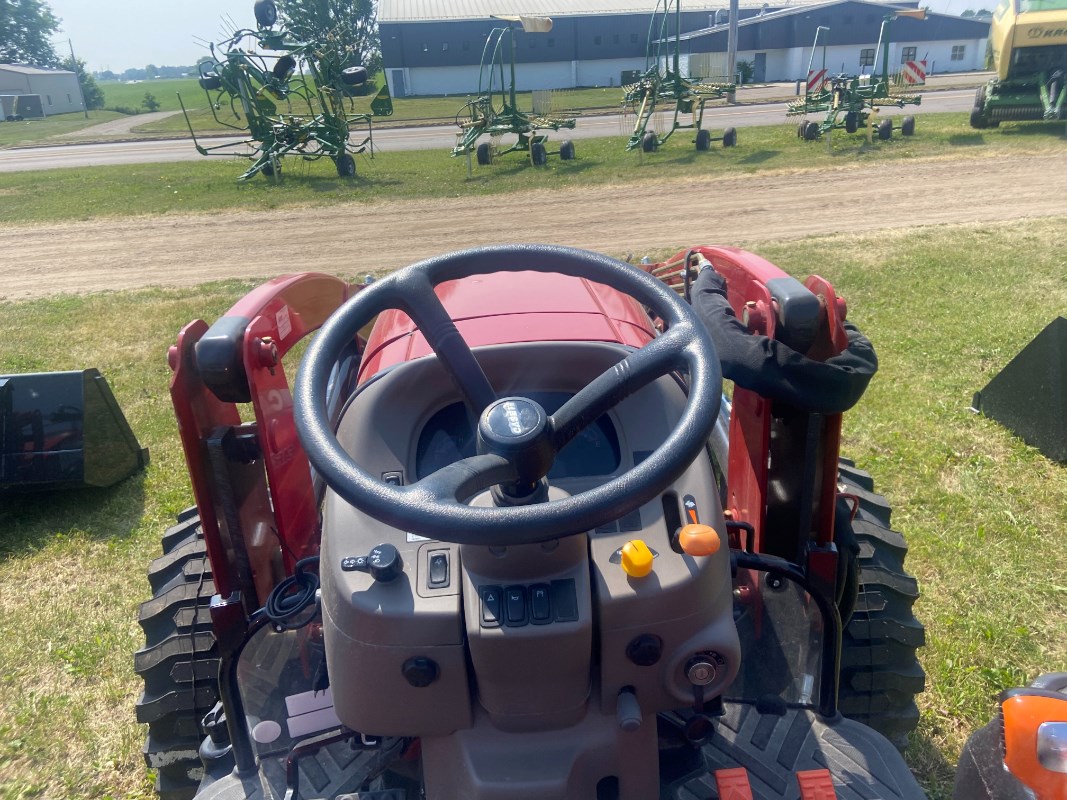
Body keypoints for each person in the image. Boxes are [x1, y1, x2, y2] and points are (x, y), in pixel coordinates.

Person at [689, 258, 878, 413]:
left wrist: (704, 289)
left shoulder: (835, 385)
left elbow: (734, 351)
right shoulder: (846, 375)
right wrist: (837, 323)